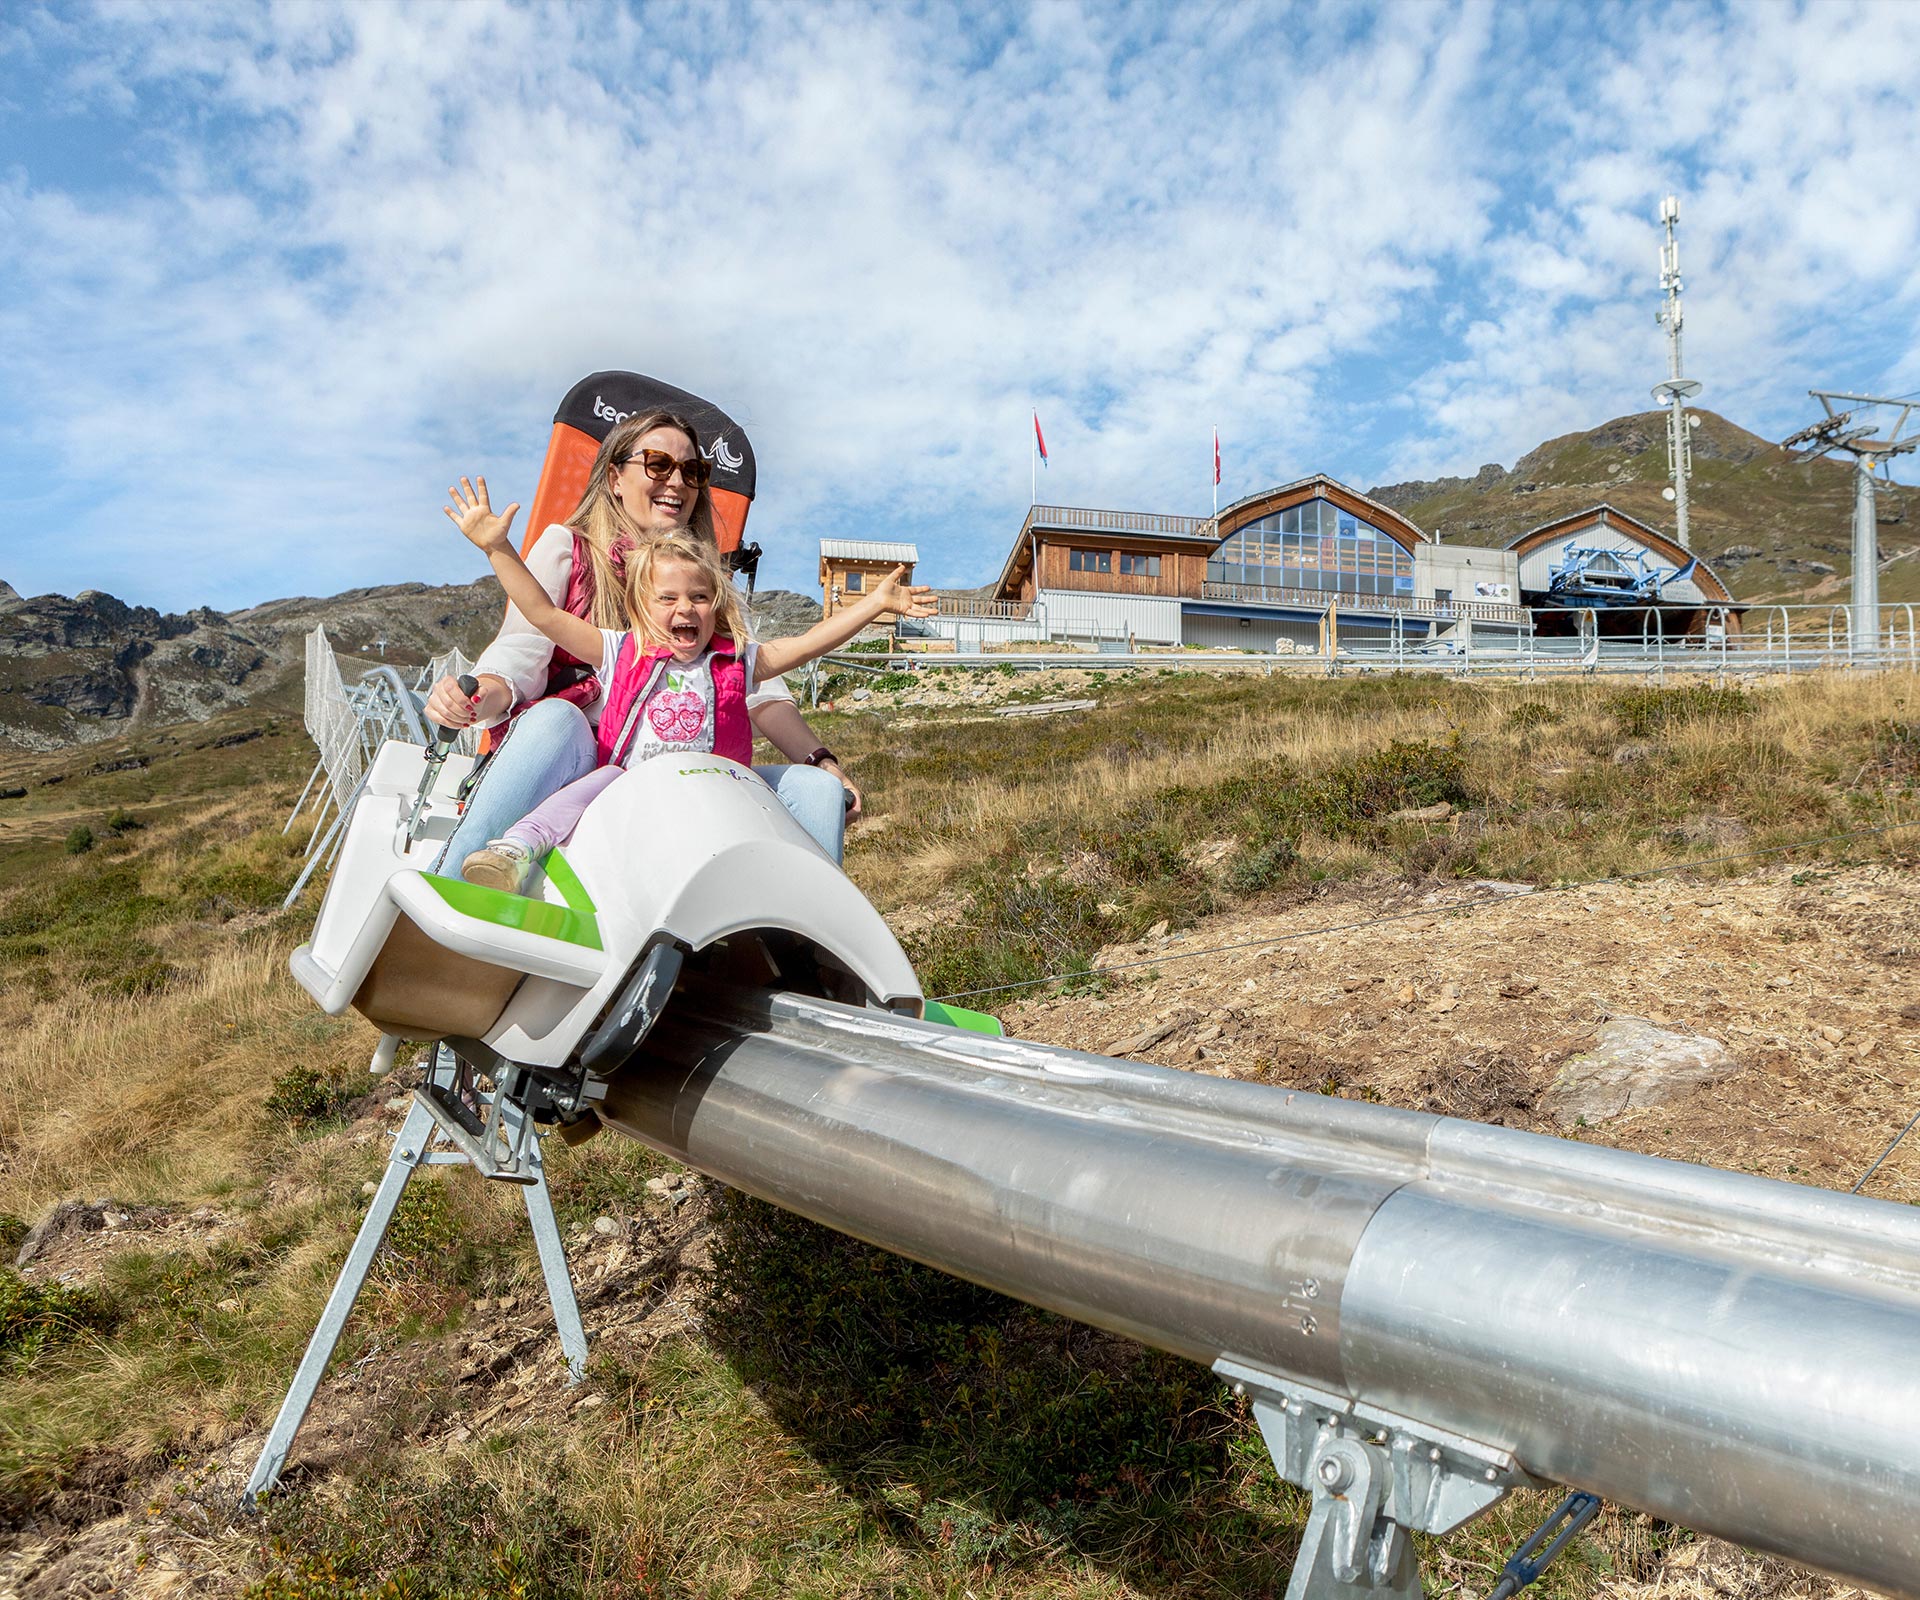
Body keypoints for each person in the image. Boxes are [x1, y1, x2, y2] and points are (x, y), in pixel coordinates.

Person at [442, 482, 934, 892]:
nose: (686, 609)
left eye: (700, 597)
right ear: (640, 608)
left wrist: (873, 605)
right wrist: (497, 548)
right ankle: (515, 849)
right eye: (668, 598)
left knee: (792, 801)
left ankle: (809, 917)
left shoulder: (738, 660)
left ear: (716, 607)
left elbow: (808, 643)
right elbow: (543, 613)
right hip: (634, 779)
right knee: (590, 787)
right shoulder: (621, 651)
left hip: (716, 785)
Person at [424, 411, 859, 869]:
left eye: (692, 471)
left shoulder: (708, 586)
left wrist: (822, 764)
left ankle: (800, 934)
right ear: (615, 477)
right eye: (657, 464)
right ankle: (455, 876)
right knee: (558, 716)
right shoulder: (567, 547)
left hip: (685, 771)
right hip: (585, 758)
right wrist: (478, 695)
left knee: (815, 791)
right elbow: (522, 649)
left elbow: (760, 692)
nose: (677, 481)